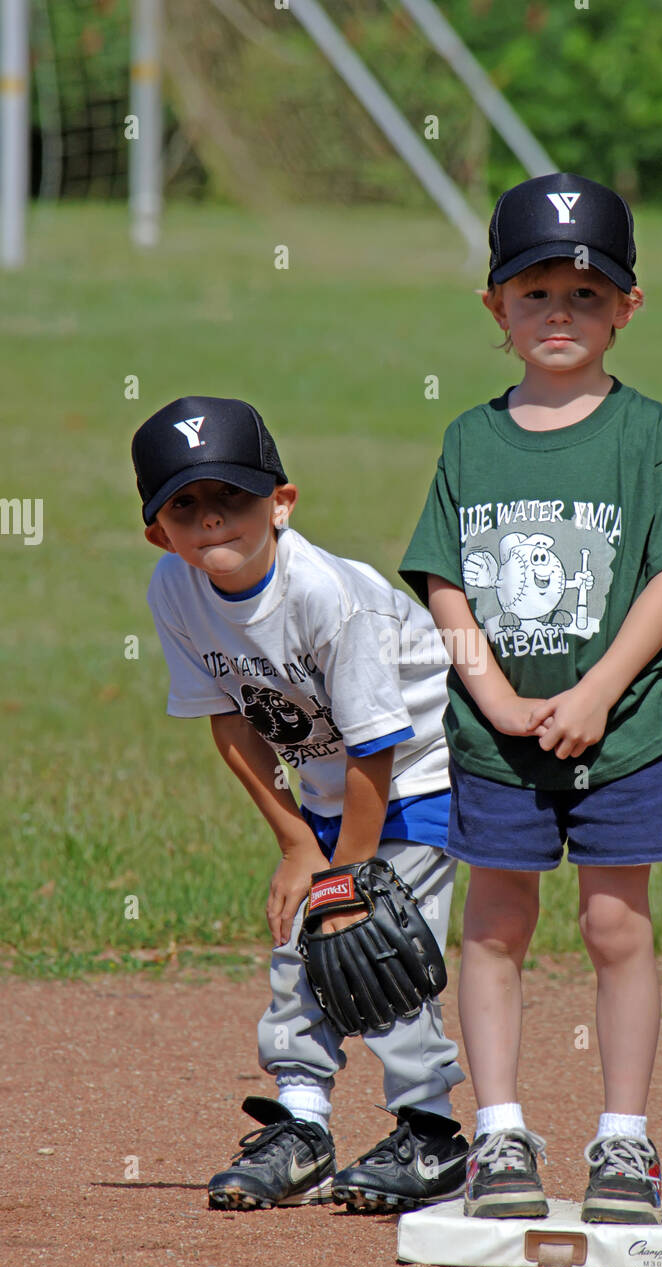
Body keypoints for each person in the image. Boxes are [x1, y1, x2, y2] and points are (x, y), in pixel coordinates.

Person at [399, 173, 662, 1223]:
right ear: (494, 308)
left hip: (622, 732)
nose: (558, 313)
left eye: (584, 295)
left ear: (625, 308)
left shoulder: (647, 433)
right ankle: (497, 1130)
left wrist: (595, 689)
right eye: (532, 292)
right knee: (493, 925)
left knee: (612, 925)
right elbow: (442, 577)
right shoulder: (468, 440)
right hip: (497, 741)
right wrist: (491, 694)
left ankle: (622, 1142)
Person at [132, 395, 467, 1213]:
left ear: (281, 502)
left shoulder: (327, 597)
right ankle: (304, 1127)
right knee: (300, 953)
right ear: (158, 531)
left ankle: (431, 1135)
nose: (212, 520)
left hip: (417, 776)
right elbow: (227, 718)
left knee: (376, 949)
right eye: (186, 505)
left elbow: (377, 743)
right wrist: (297, 846)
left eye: (233, 498)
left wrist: (343, 880)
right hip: (331, 789)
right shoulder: (174, 592)